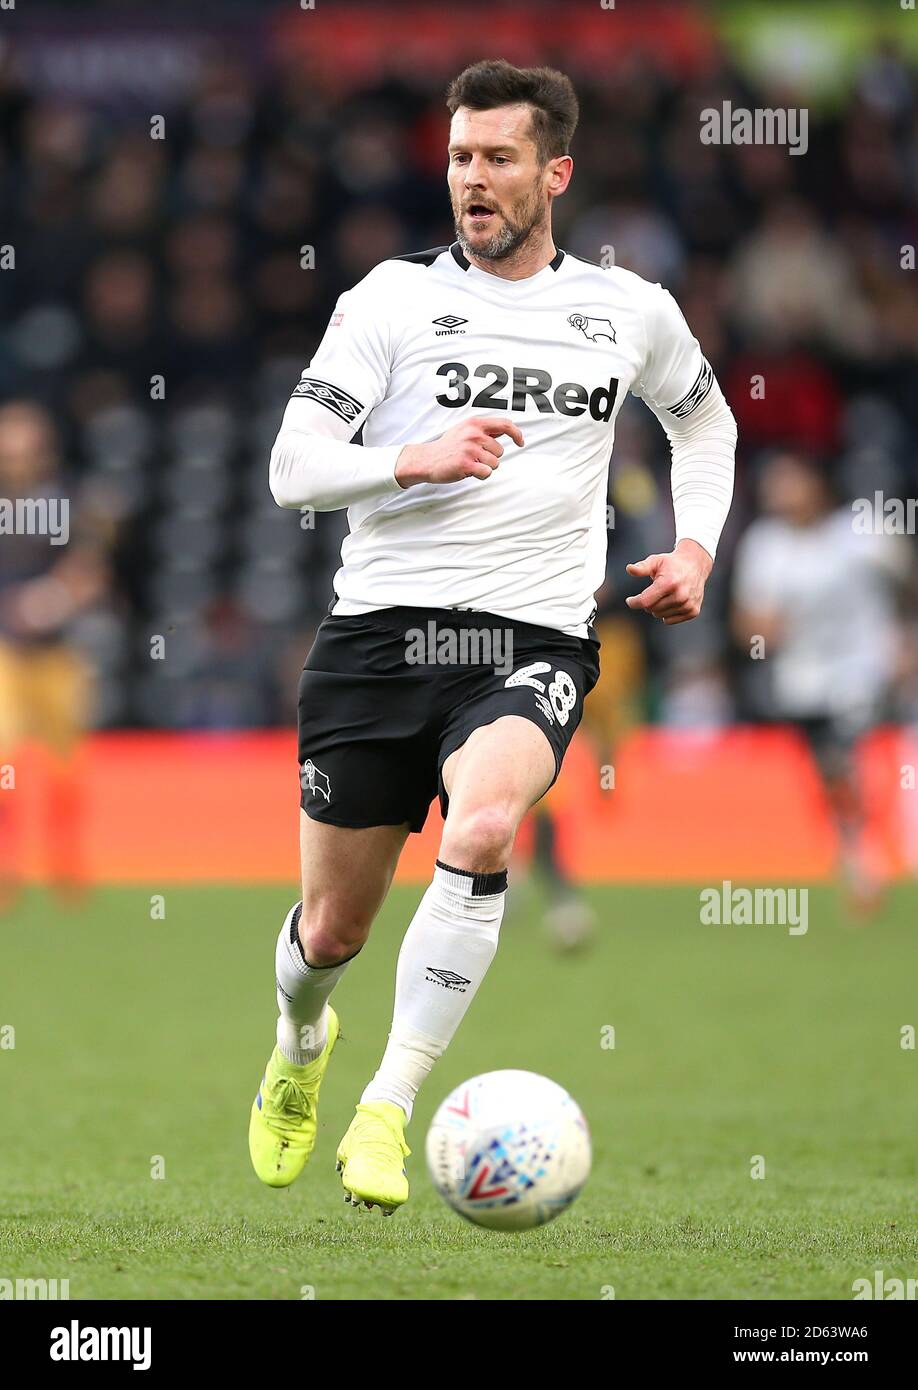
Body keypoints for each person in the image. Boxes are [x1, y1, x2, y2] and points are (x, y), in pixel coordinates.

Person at [249, 59, 736, 1213]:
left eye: (498, 157)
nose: (473, 178)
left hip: (527, 643)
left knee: (481, 824)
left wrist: (698, 548)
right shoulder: (388, 302)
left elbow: (703, 422)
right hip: (377, 642)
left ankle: (388, 1106)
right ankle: (300, 1043)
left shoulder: (630, 311)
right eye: (461, 157)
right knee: (330, 929)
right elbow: (290, 470)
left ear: (553, 171)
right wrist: (406, 456)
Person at [732, 449, 906, 914]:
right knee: (827, 772)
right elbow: (748, 622)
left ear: (817, 484)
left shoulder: (864, 536)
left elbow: (908, 586)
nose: (778, 493)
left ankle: (866, 859)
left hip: (863, 670)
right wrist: (760, 631)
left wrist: (907, 640)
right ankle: (854, 850)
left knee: (847, 755)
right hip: (802, 680)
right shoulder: (765, 544)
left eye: (789, 482)